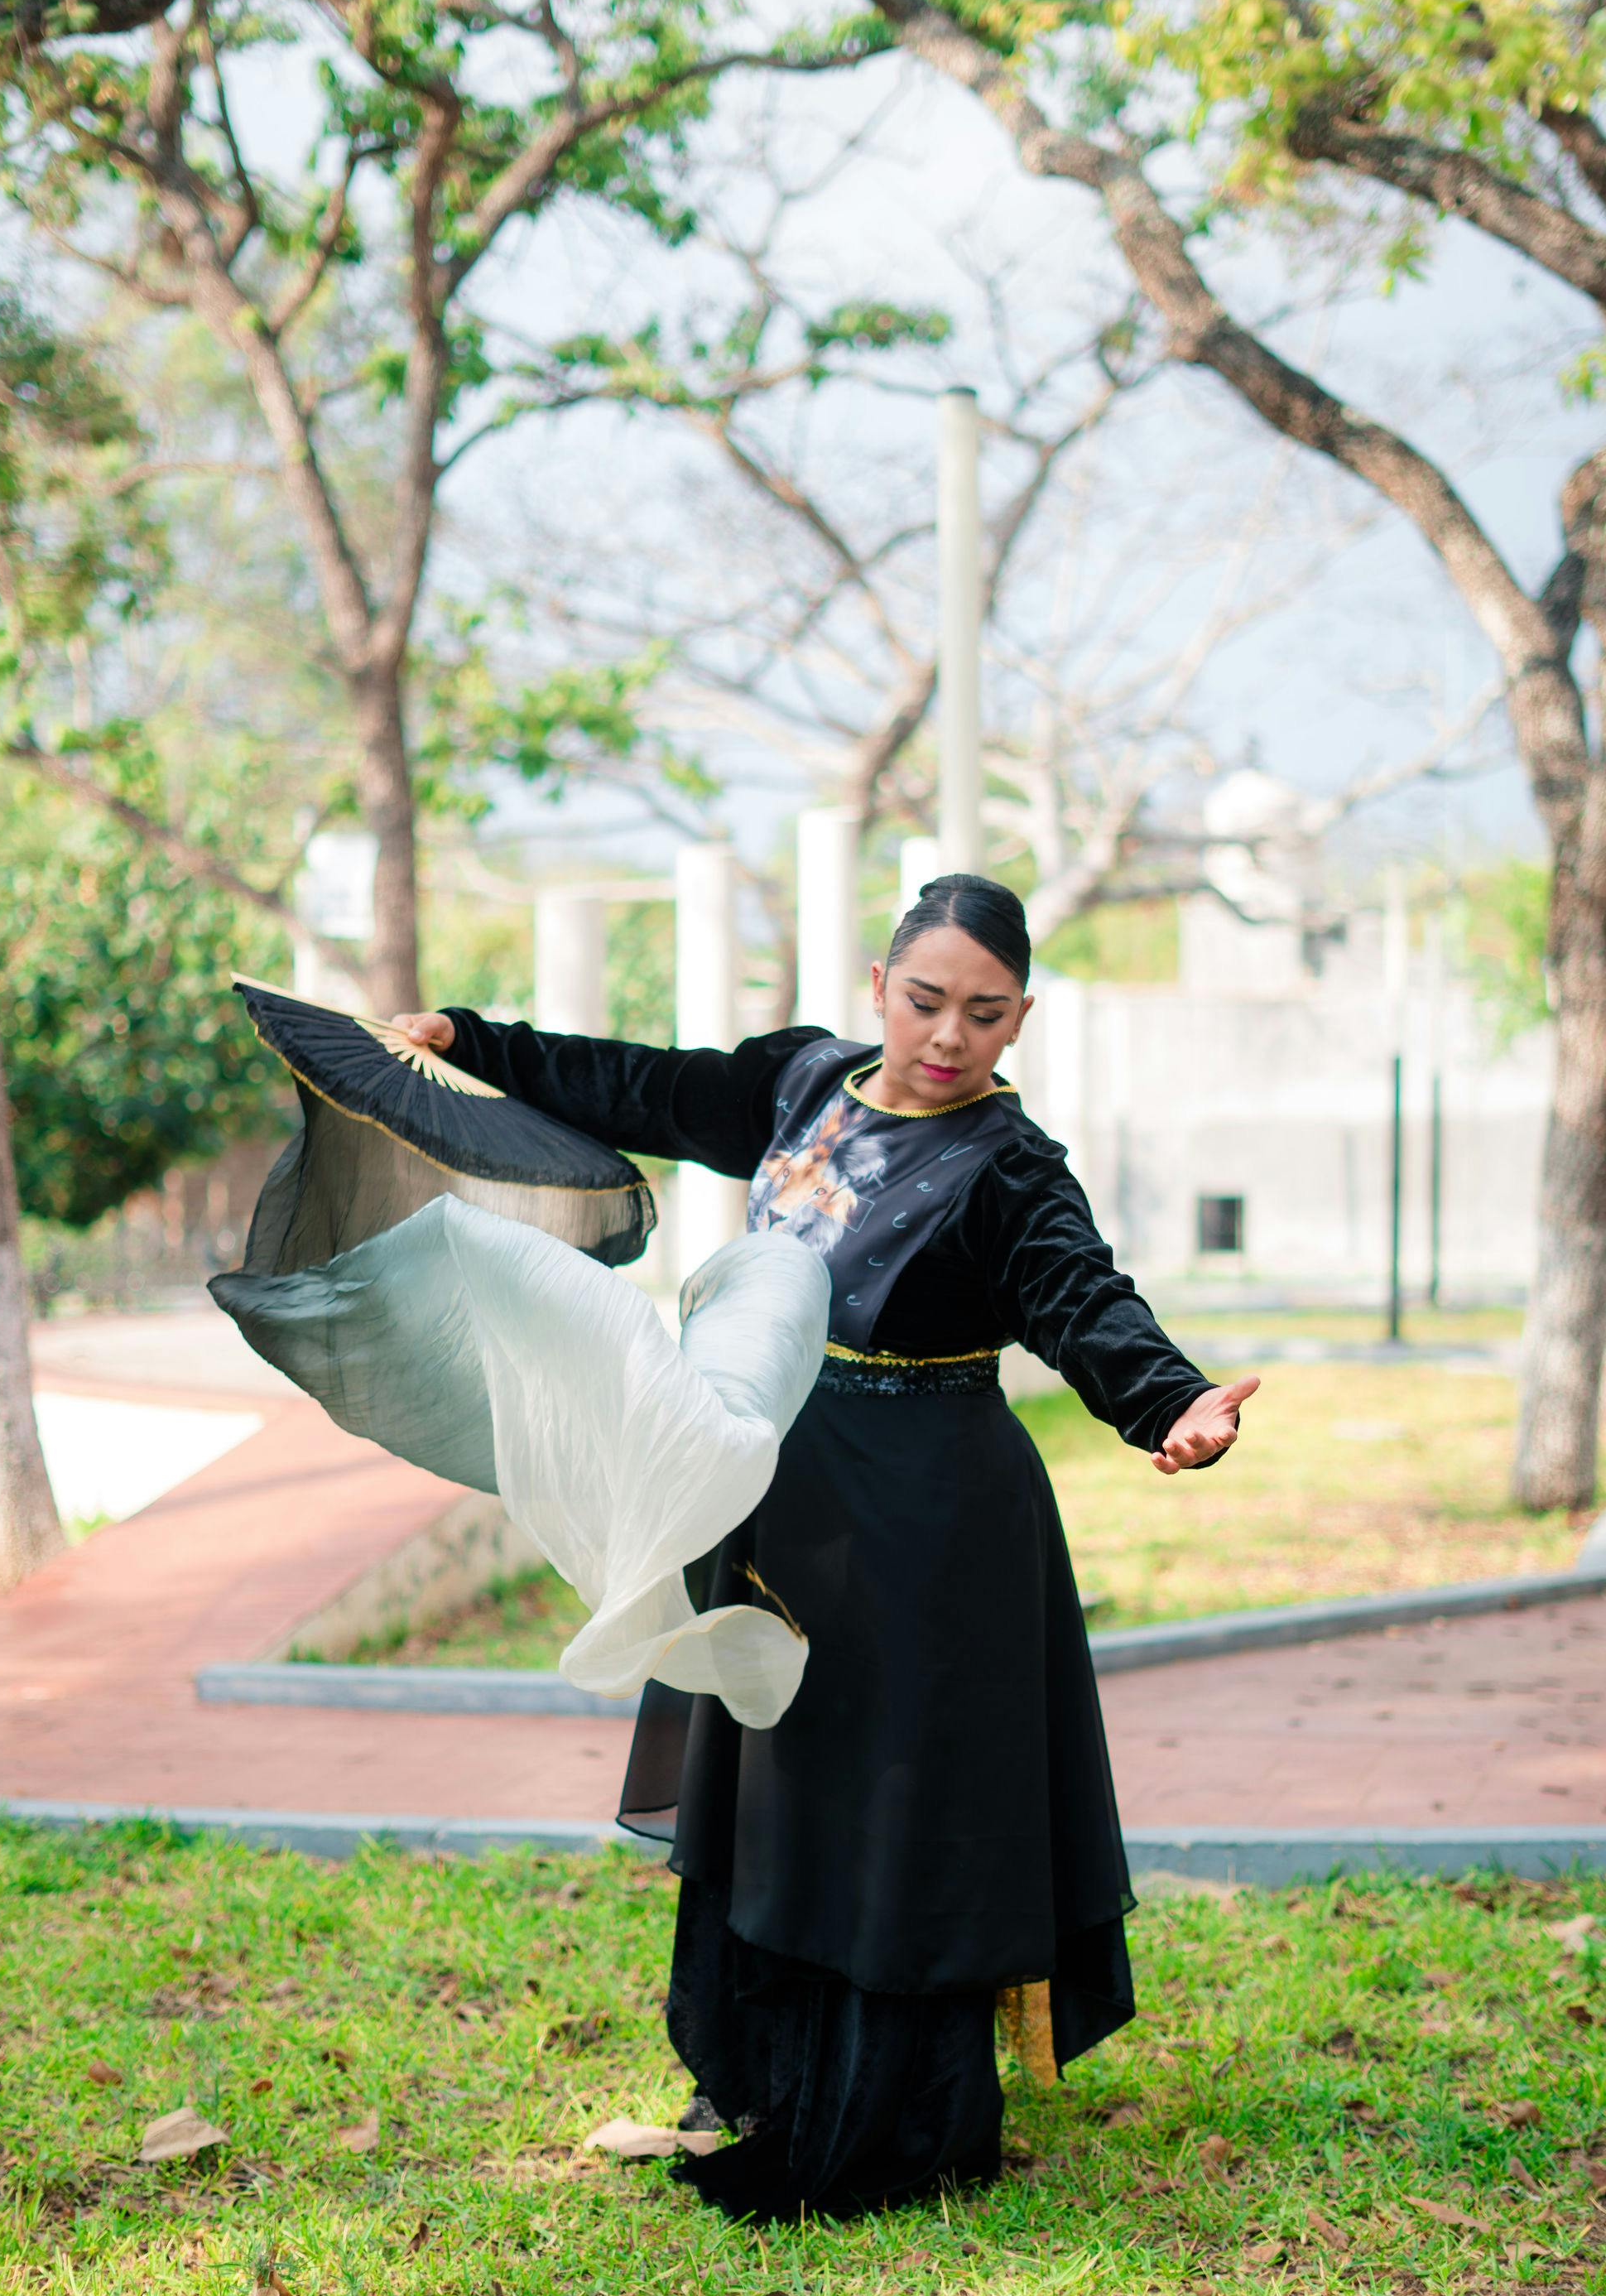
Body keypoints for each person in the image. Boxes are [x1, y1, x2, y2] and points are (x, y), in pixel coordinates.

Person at [391, 872, 1257, 2222]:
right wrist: (477, 1044)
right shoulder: (805, 1084)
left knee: (893, 1799)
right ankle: (768, 2072)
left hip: (929, 1523)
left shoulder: (1007, 1165)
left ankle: (889, 2112)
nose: (946, 1036)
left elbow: (1083, 1295)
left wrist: (1168, 1401)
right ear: (878, 986)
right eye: (924, 1001)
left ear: (1019, 1020)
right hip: (779, 1493)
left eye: (982, 1013)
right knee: (785, 1778)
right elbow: (652, 1090)